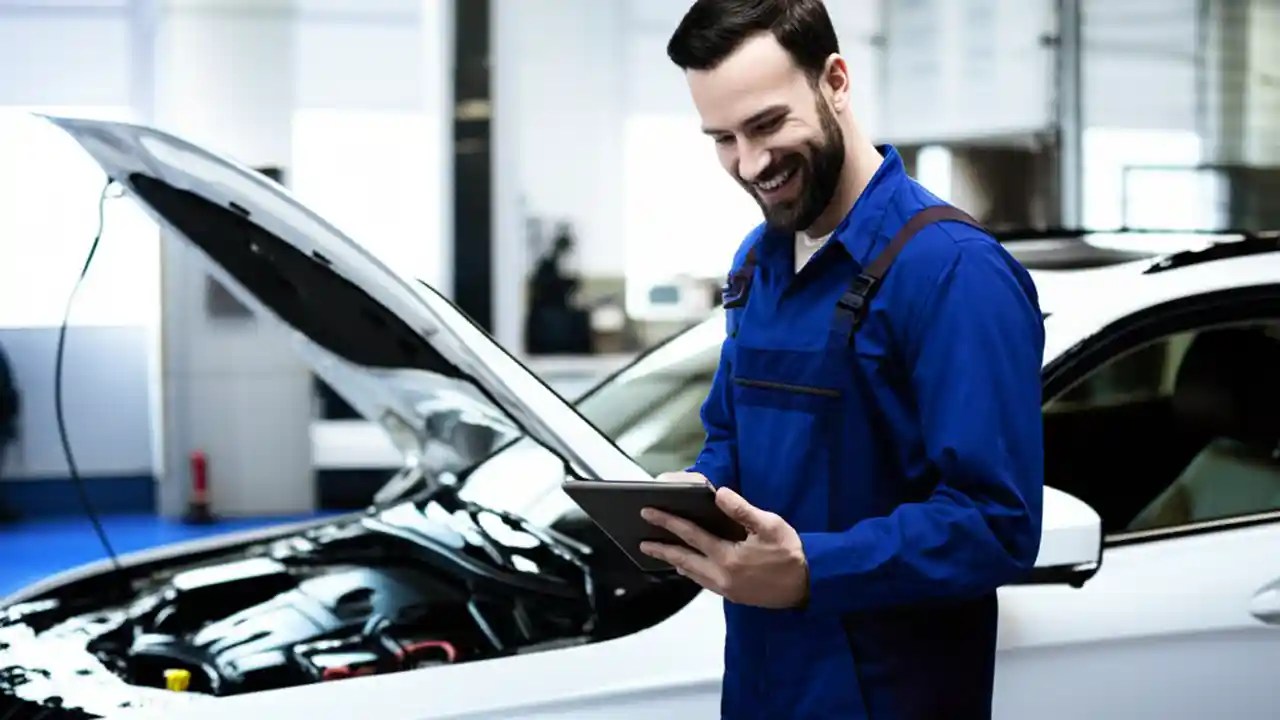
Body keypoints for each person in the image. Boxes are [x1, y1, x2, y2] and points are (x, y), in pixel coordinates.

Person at [636, 1, 1046, 718]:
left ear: (835, 81)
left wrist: (810, 570)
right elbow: (733, 436)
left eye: (766, 125)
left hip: (889, 695)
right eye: (723, 138)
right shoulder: (757, 262)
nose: (750, 163)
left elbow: (996, 522)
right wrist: (697, 494)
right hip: (763, 685)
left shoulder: (953, 274)